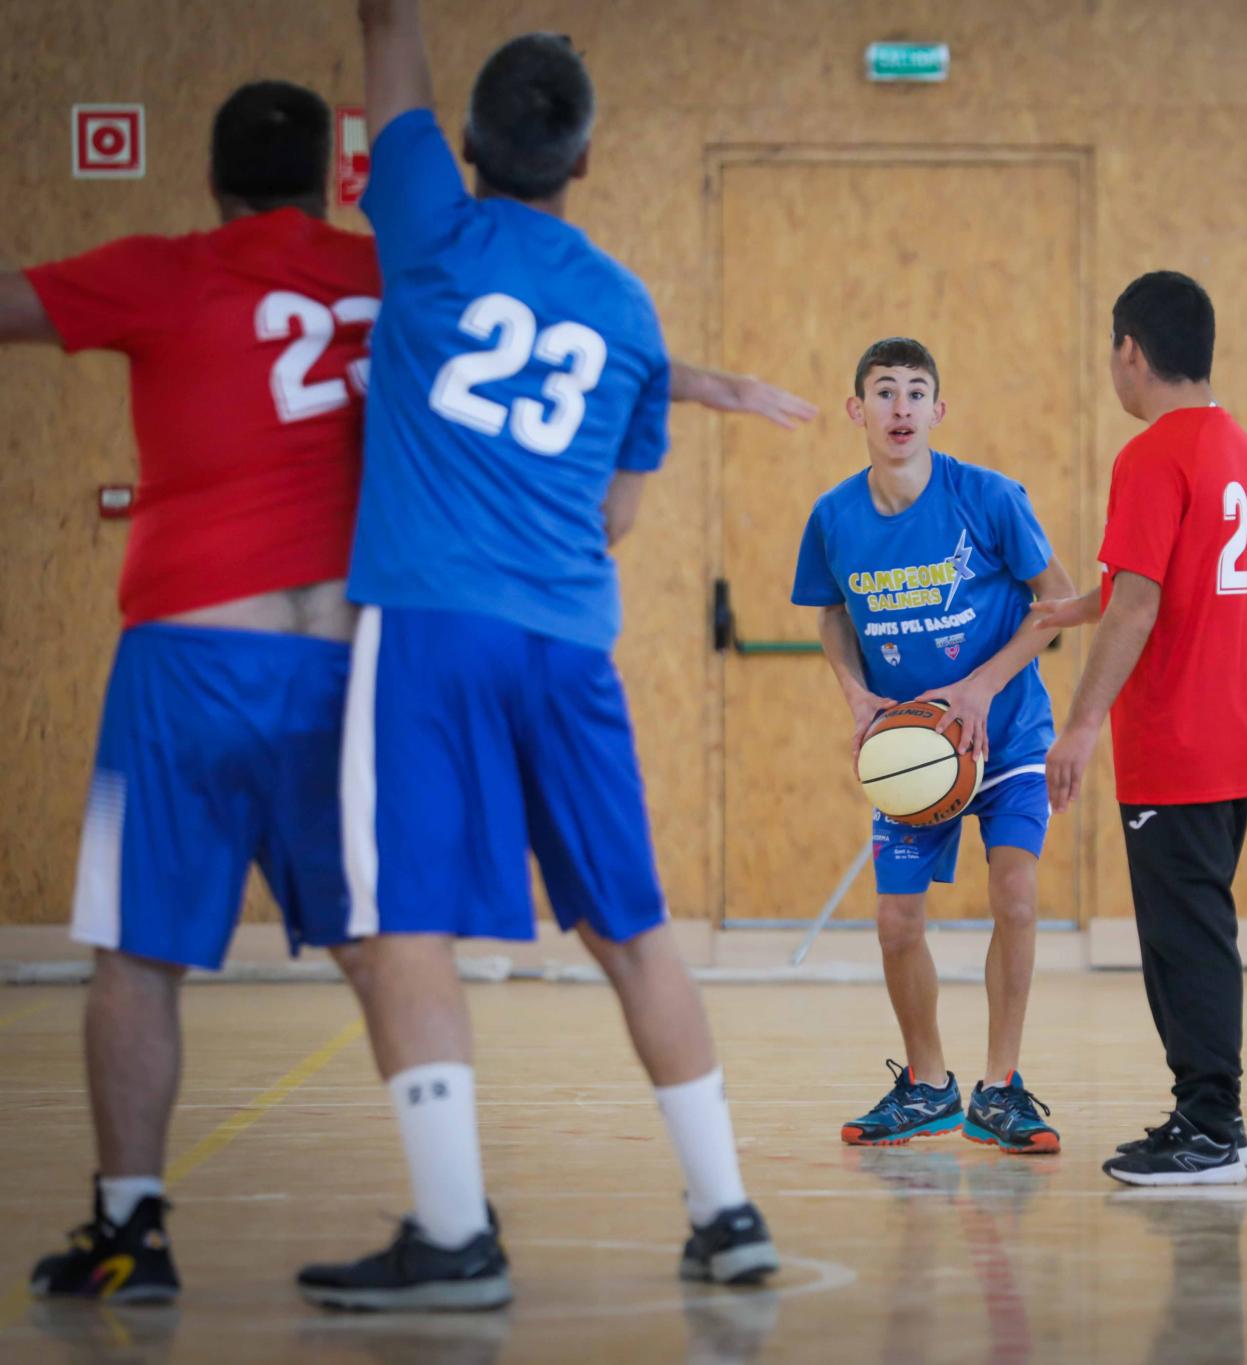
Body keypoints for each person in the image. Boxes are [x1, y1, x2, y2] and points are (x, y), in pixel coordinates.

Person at [296, 1, 808, 1308]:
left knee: (408, 921)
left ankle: (456, 1234)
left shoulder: (427, 221)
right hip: (571, 641)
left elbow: (389, 48)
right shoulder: (628, 310)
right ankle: (727, 1209)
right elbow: (620, 517)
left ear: (462, 144)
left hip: (429, 624)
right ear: (584, 161)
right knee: (633, 930)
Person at [1, 80, 380, 1303]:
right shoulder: (390, 277)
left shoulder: (163, 268)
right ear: (331, 177)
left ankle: (130, 1231)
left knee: (135, 952)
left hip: (185, 664)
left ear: (213, 181)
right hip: (341, 666)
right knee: (380, 948)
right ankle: (451, 1207)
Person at [792, 337, 1074, 1155]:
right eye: (884, 391)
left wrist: (983, 685)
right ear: (857, 410)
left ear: (939, 412)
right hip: (912, 747)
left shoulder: (988, 497)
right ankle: (926, 1085)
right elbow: (833, 615)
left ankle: (1002, 1087)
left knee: (1015, 896)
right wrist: (856, 695)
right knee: (893, 922)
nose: (901, 407)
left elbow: (1054, 601)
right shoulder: (833, 516)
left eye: (917, 392)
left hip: (1006, 729)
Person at [1038, 271, 1247, 1186]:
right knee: (1194, 925)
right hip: (1236, 723)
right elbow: (1151, 584)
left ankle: (1212, 1123)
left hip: (1177, 733)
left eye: (1111, 351)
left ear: (1130, 351)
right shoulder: (1236, 447)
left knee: (1186, 937)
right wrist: (1069, 608)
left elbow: (1140, 603)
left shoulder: (1151, 455)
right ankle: (1207, 1115)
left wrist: (1081, 724)